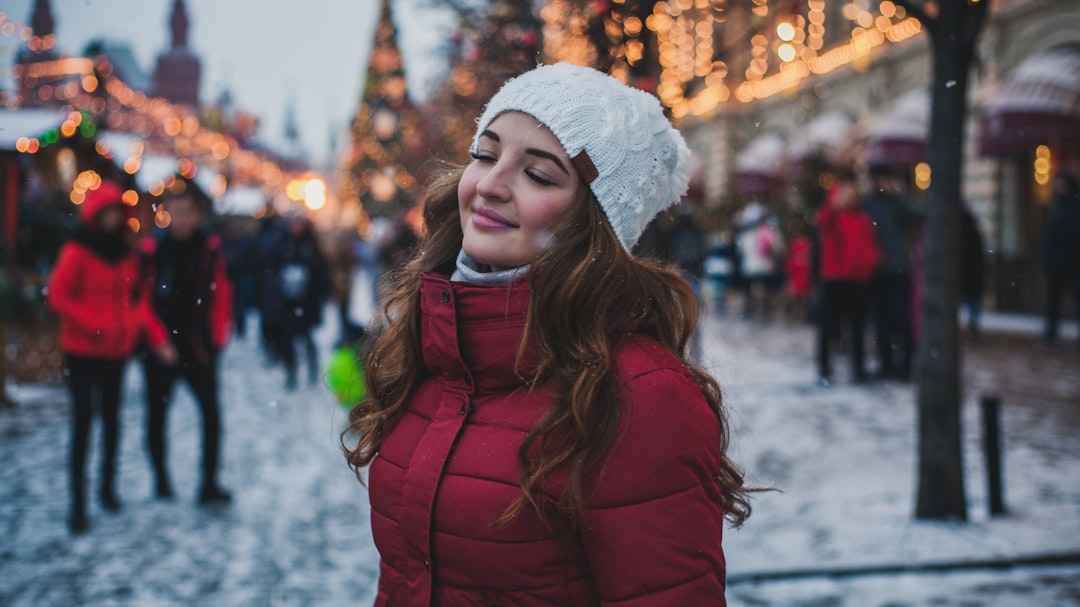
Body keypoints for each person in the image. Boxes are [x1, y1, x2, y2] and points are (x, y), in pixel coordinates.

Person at [342, 63, 750, 606]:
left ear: (594, 222)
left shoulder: (640, 394)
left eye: (538, 174)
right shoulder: (434, 347)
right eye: (485, 155)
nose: (489, 184)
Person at [46, 181, 174, 533]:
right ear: (97, 213)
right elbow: (58, 295)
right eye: (110, 211)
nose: (115, 217)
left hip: (117, 352)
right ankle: (78, 502)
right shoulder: (78, 250)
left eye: (119, 211)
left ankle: (108, 489)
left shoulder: (126, 251)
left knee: (113, 423)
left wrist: (139, 330)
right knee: (84, 424)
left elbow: (136, 298)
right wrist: (94, 325)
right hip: (83, 351)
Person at [139, 192, 233, 504]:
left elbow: (221, 294)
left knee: (211, 418)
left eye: (185, 213)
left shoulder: (209, 250)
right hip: (160, 350)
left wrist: (216, 339)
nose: (180, 219)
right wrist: (159, 341)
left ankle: (208, 483)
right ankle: (161, 481)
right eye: (174, 213)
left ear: (196, 216)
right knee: (156, 417)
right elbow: (142, 301)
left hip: (198, 348)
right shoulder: (154, 251)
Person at [815, 171, 881, 386]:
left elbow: (870, 246)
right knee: (829, 327)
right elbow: (823, 220)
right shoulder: (833, 216)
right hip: (835, 279)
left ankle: (858, 368)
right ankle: (825, 368)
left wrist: (871, 263)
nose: (851, 196)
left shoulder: (862, 218)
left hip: (859, 280)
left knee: (858, 326)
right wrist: (834, 203)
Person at [264, 210, 331, 389]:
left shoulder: (311, 247)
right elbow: (270, 272)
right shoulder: (282, 246)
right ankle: (291, 372)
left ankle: (312, 370)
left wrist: (319, 295)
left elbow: (321, 273)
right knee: (288, 339)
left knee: (307, 338)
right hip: (287, 303)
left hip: (306, 303)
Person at [862, 164, 914, 379]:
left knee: (900, 318)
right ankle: (886, 364)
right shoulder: (867, 204)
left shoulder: (899, 202)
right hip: (876, 271)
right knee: (881, 321)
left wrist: (899, 196)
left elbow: (913, 217)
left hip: (899, 269)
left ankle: (905, 365)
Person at [1041, 173, 1080, 346]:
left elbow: (1068, 232)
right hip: (1060, 263)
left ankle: (1050, 334)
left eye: (1061, 184)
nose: (1058, 188)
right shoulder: (1059, 205)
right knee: (1054, 301)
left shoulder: (1072, 205)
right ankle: (1050, 334)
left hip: (1071, 262)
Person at [735, 200, 783, 320]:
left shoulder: (744, 233)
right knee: (765, 290)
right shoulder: (768, 231)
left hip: (749, 267)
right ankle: (764, 312)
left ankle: (749, 311)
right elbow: (777, 247)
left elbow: (740, 251)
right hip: (764, 266)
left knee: (749, 291)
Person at [959, 204, 985, 341]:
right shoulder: (973, 231)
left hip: (966, 275)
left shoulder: (959, 233)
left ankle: (972, 327)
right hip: (973, 274)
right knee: (973, 302)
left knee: (971, 301)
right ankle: (973, 327)